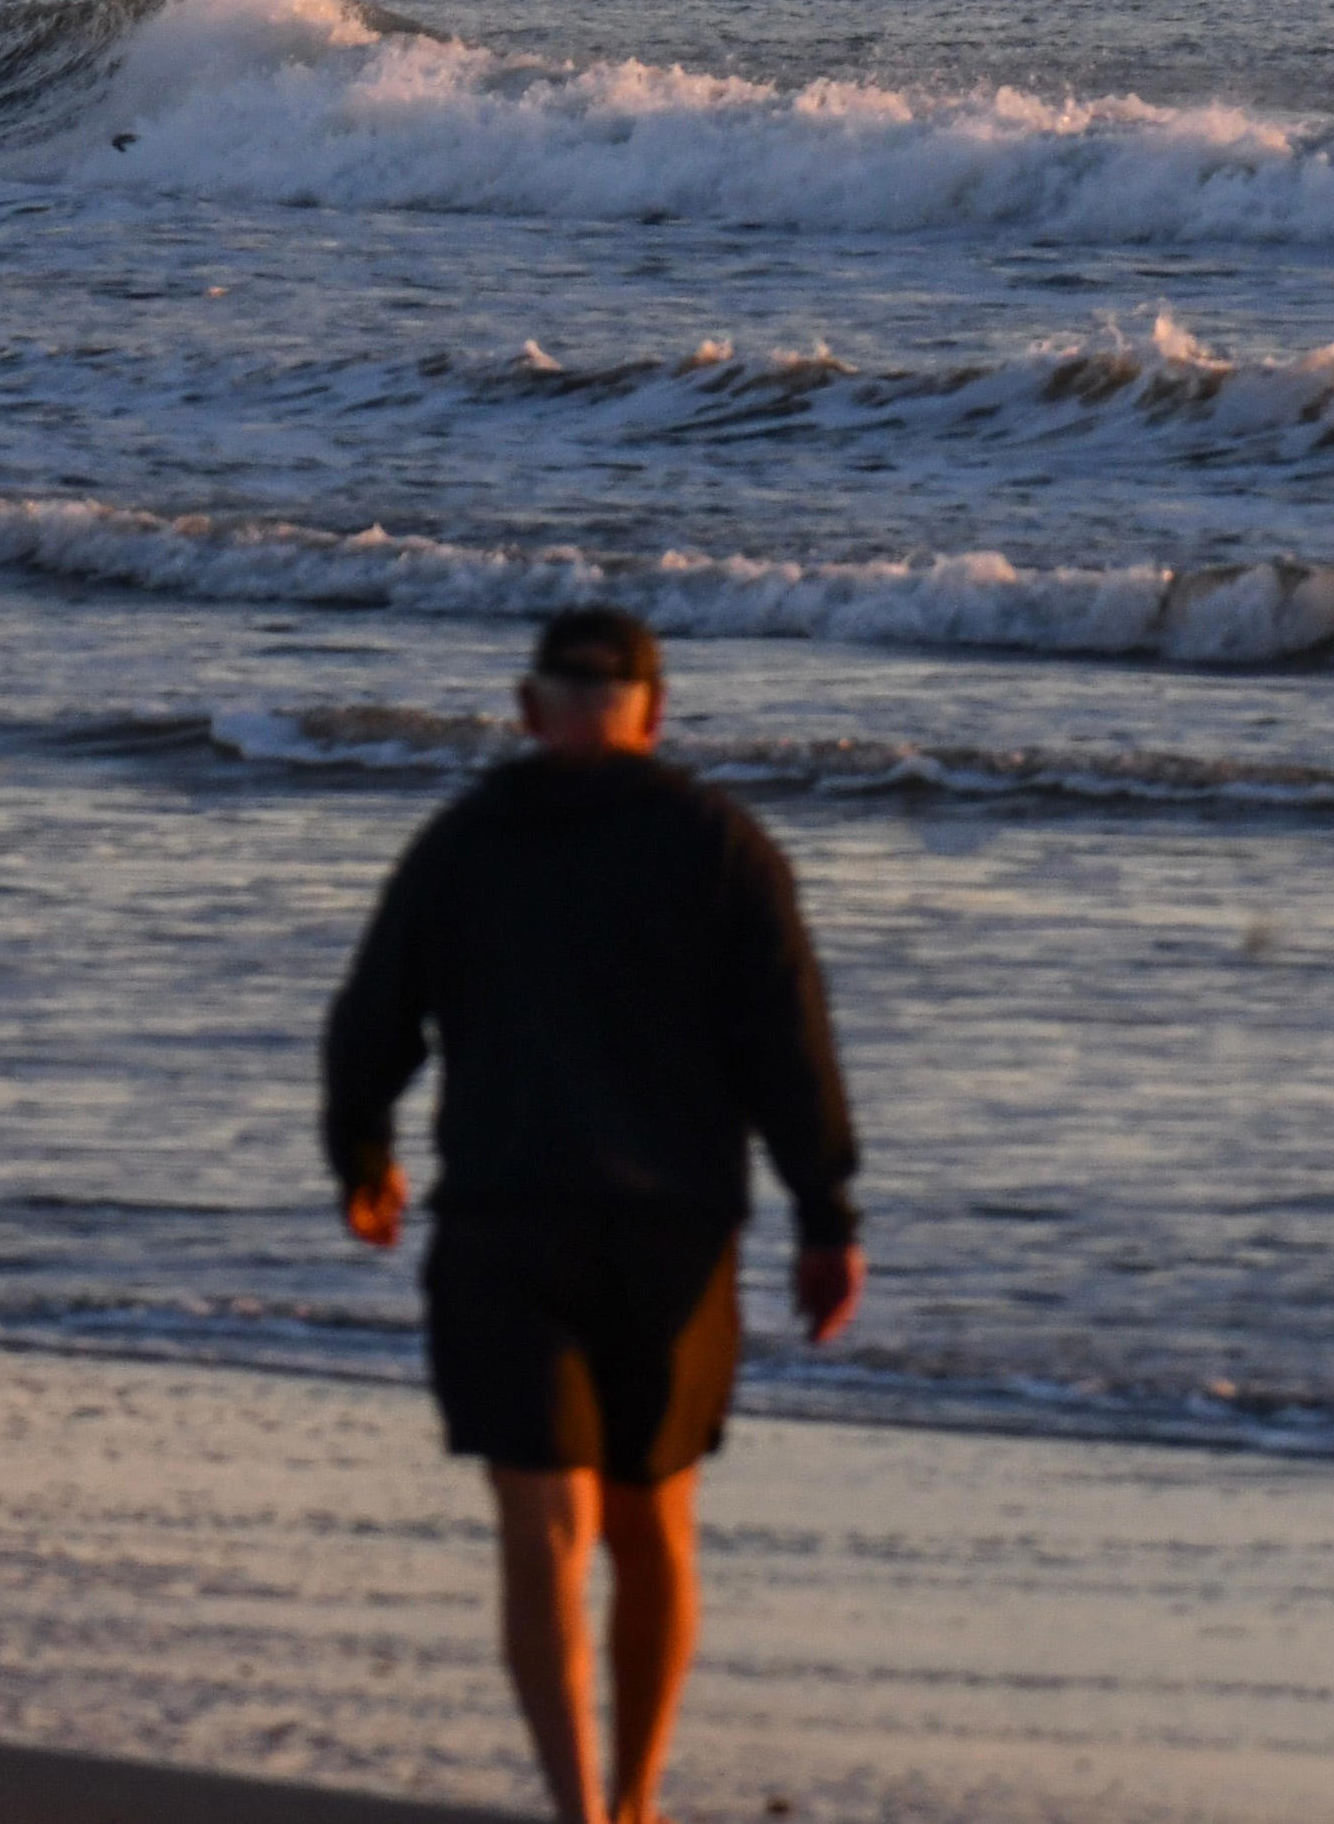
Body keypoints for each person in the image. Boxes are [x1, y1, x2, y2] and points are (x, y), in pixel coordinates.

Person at [323, 607, 863, 1824]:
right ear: (656, 714)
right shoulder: (717, 844)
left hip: (504, 1221)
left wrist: (360, 1150)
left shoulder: (463, 842)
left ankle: (582, 1810)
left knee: (543, 1521)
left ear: (527, 709)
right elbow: (789, 1045)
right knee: (651, 1520)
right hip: (669, 1232)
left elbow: (372, 1015)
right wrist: (825, 1213)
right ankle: (634, 1798)